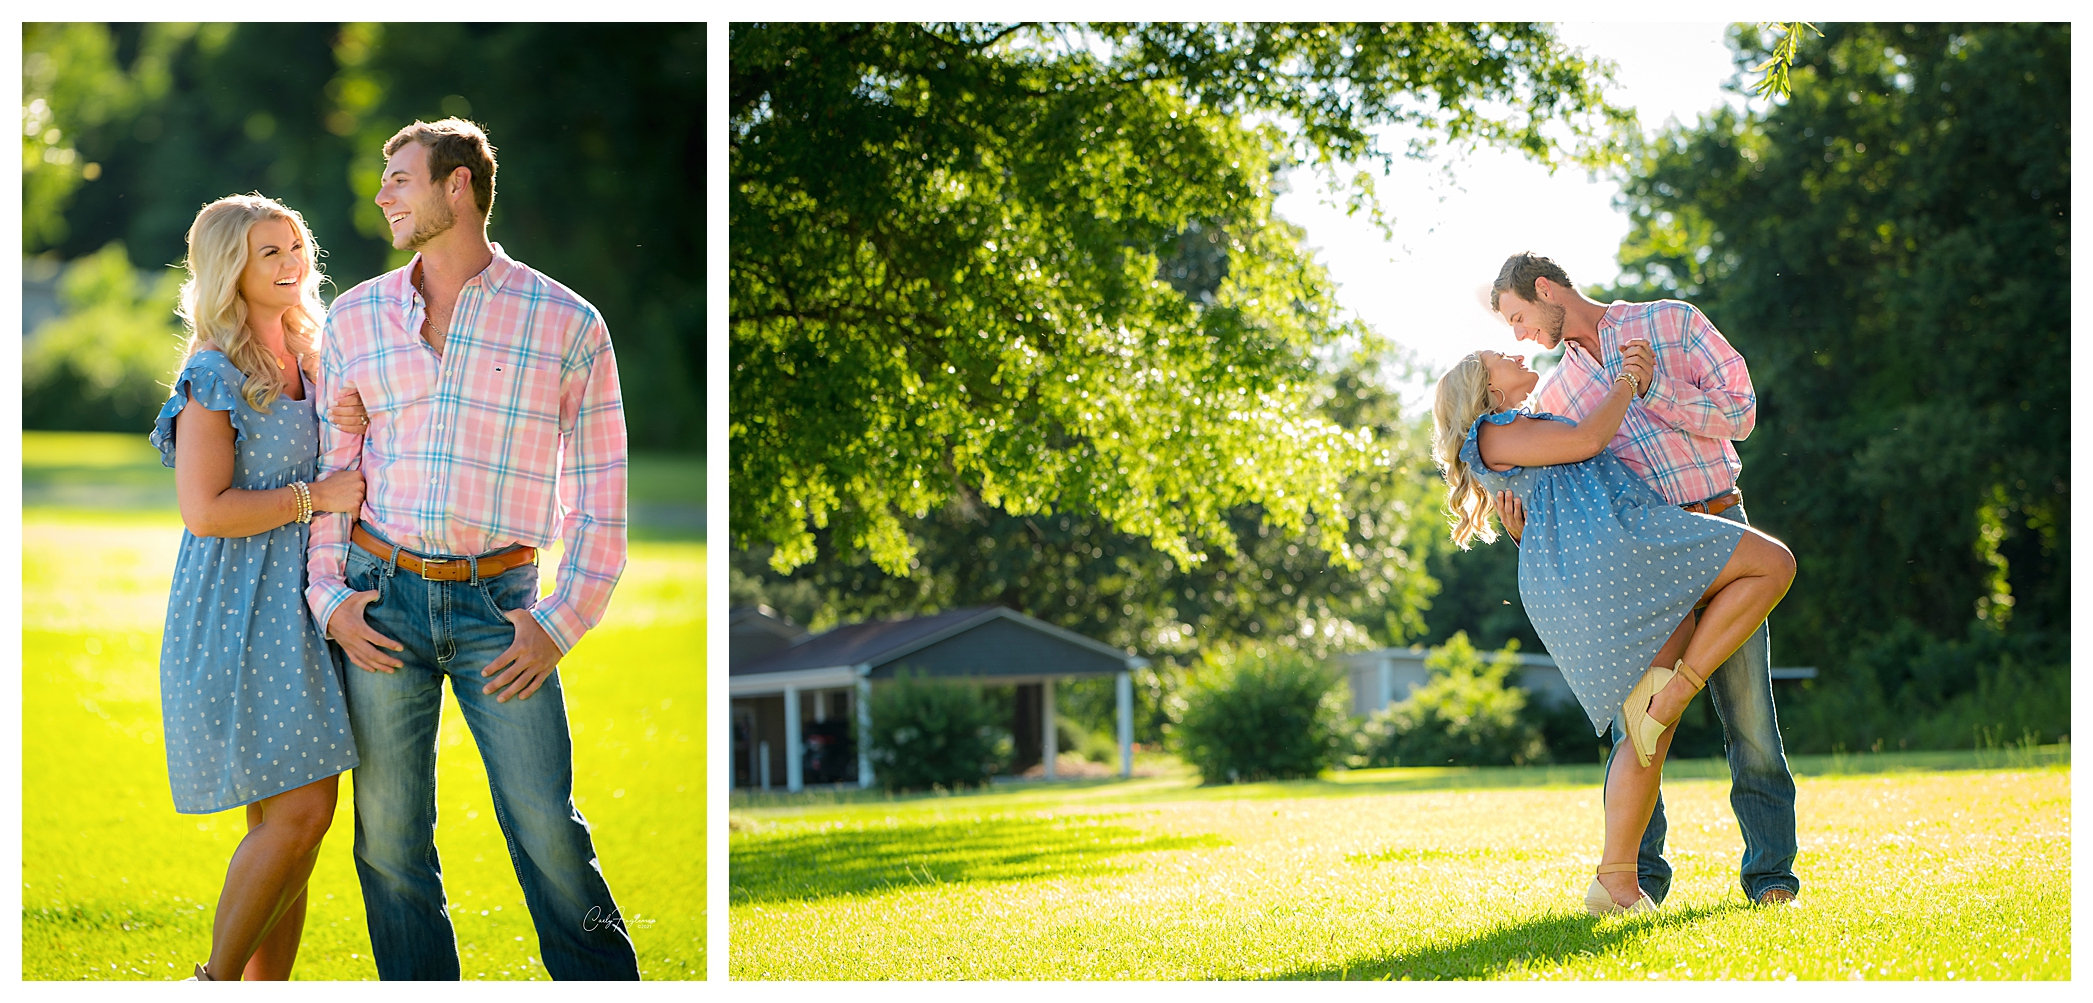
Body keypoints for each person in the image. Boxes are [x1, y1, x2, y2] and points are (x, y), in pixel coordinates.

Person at [305, 117, 640, 980]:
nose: (382, 194)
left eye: (400, 178)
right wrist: (331, 601)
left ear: (459, 187)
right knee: (387, 845)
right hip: (380, 600)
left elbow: (604, 498)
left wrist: (559, 622)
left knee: (550, 835)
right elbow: (333, 475)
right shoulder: (356, 318)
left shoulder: (567, 323)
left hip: (505, 612)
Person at [1430, 340, 1795, 916]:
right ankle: (1679, 693)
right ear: (1486, 386)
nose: (1520, 357)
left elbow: (1559, 494)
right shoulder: (1492, 432)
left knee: (1647, 733)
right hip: (1625, 554)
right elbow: (1588, 441)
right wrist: (1628, 378)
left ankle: (1617, 883)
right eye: (1505, 358)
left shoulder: (1521, 429)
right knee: (1774, 564)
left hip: (1623, 552)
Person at [153, 194, 366, 979]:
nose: (291, 263)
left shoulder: (314, 354)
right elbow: (204, 511)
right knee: (304, 812)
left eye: (295, 246)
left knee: (292, 828)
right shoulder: (212, 372)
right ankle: (210, 983)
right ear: (229, 269)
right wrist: (319, 497)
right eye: (267, 252)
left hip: (306, 603)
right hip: (238, 611)